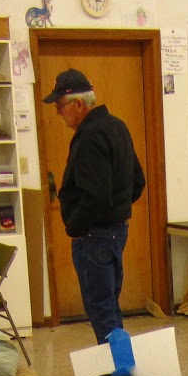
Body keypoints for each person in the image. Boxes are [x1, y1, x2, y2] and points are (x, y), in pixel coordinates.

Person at [44, 68, 146, 342]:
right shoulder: (117, 127)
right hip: (114, 232)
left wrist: (75, 227)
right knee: (108, 308)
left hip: (95, 237)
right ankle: (121, 364)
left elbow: (96, 196)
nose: (58, 113)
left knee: (102, 312)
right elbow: (138, 181)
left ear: (78, 104)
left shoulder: (90, 136)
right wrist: (117, 210)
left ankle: (122, 367)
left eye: (60, 106)